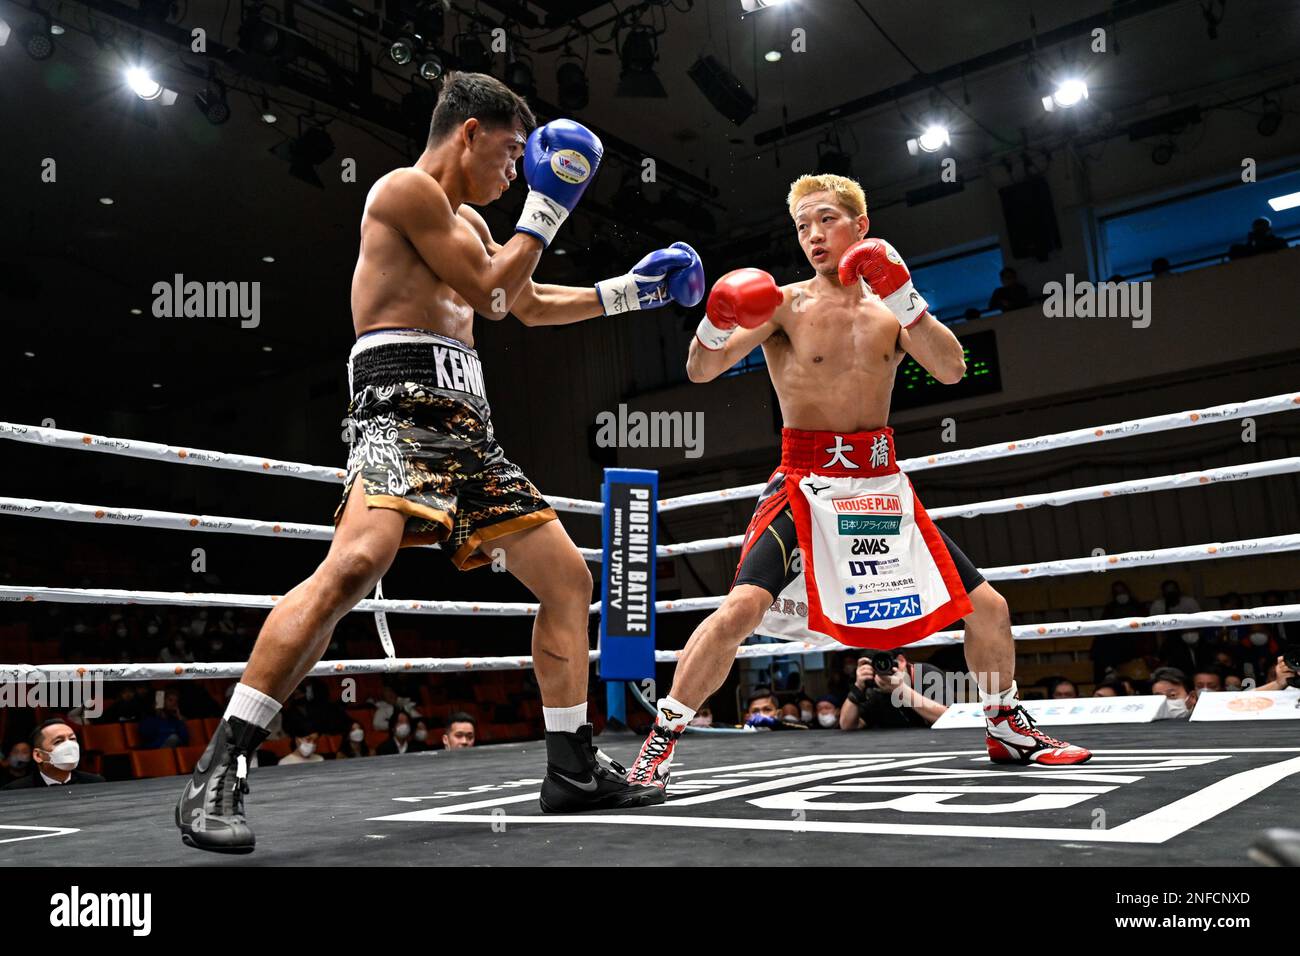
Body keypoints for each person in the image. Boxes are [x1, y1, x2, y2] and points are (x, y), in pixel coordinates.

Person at [175, 72, 703, 851]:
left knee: (567, 579)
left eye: (529, 157)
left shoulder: (472, 226)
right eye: (513, 149)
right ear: (468, 132)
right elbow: (493, 295)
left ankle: (570, 767)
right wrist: (551, 204)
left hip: (469, 425)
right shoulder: (404, 190)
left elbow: (523, 303)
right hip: (397, 409)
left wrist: (633, 292)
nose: (518, 167)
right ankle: (220, 769)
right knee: (356, 563)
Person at [626, 173, 1089, 792]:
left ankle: (1005, 729)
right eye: (801, 227)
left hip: (877, 484)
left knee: (989, 609)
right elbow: (701, 369)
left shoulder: (890, 310)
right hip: (805, 482)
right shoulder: (782, 304)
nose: (813, 236)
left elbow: (952, 369)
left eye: (825, 220)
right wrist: (715, 318)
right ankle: (658, 747)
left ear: (860, 226)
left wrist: (906, 298)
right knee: (741, 609)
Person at [1, 720, 105, 790]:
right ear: (38, 755)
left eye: (72, 739)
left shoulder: (95, 783)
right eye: (58, 741)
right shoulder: (17, 790)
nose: (69, 745)